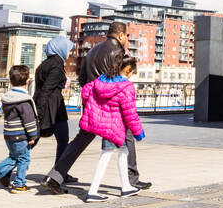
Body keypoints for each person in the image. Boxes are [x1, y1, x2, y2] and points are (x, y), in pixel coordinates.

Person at [43, 21, 152, 193]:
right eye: (127, 36)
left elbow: (82, 78)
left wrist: (91, 96)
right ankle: (132, 181)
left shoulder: (92, 50)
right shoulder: (118, 52)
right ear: (121, 35)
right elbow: (117, 82)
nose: (127, 40)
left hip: (91, 102)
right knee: (128, 136)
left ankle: (55, 176)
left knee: (81, 140)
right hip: (109, 106)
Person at [79, 57, 146, 200]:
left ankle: (126, 186)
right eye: (132, 72)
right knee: (106, 155)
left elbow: (85, 92)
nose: (132, 75)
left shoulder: (100, 80)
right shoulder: (126, 86)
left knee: (124, 151)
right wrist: (138, 133)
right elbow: (130, 113)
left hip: (109, 126)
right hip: (115, 127)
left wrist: (98, 108)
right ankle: (93, 191)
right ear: (127, 69)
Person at [0, 65, 39, 194]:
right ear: (27, 81)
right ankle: (18, 183)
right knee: (24, 159)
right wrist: (33, 136)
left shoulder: (7, 98)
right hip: (21, 135)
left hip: (9, 134)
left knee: (14, 158)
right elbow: (29, 120)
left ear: (10, 81)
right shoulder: (24, 100)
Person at [34, 35, 75, 182]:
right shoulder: (57, 67)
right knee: (63, 140)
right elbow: (47, 89)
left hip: (43, 105)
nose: (70, 53)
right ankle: (59, 173)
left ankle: (60, 172)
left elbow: (42, 89)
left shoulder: (43, 65)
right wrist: (39, 112)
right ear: (60, 48)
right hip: (53, 109)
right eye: (69, 50)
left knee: (31, 141)